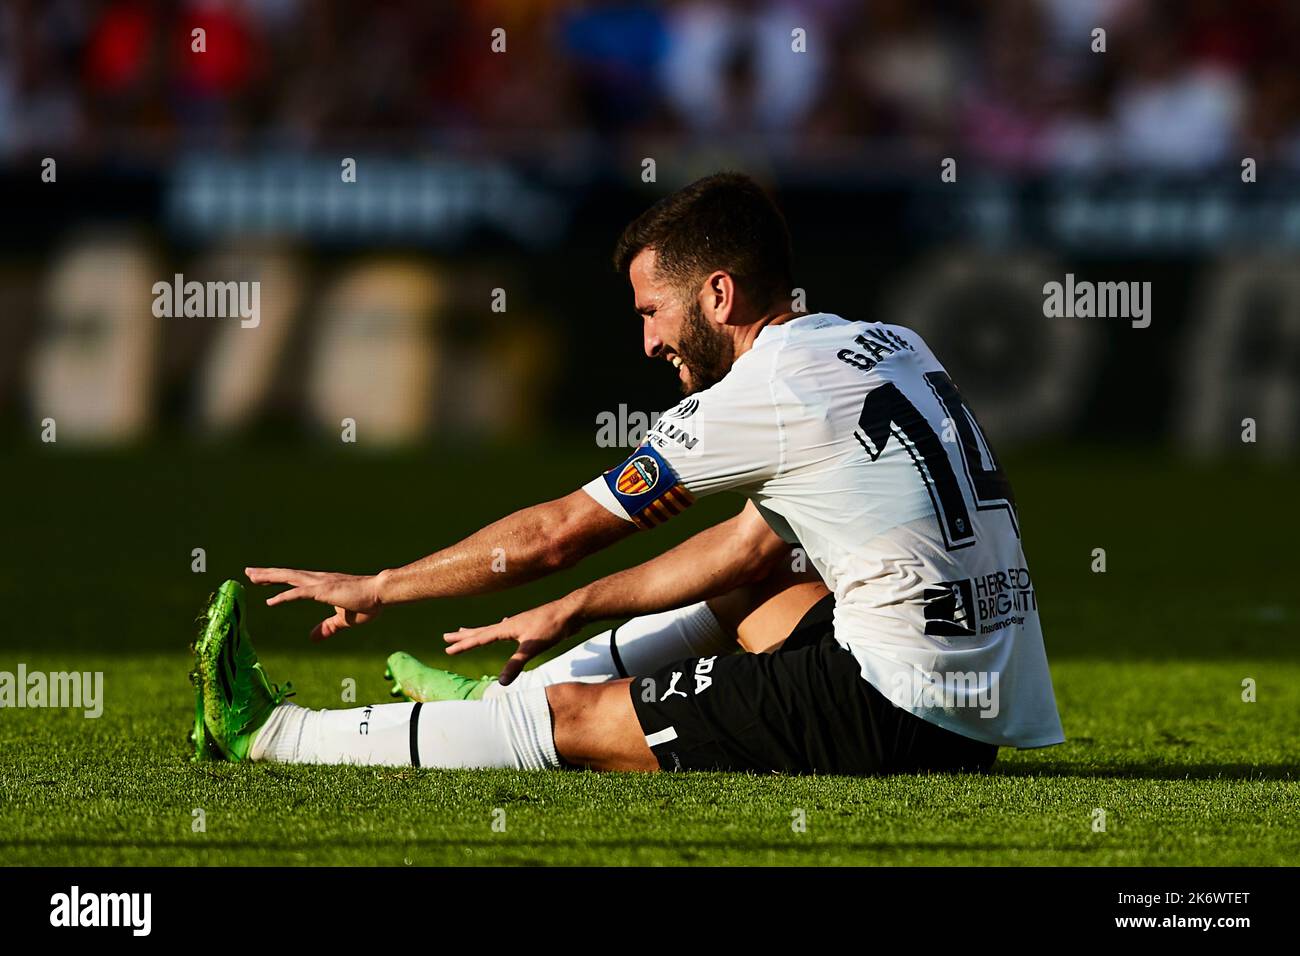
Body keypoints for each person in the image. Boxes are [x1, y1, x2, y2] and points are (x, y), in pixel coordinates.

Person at [190, 171, 1064, 774]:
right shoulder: (887, 343)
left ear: (718, 296)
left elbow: (552, 535)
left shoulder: (766, 390)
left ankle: (271, 732)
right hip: (974, 706)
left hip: (890, 713)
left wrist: (380, 587)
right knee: (763, 582)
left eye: (654, 311)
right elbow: (756, 550)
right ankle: (504, 696)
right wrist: (576, 611)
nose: (648, 341)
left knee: (569, 723)